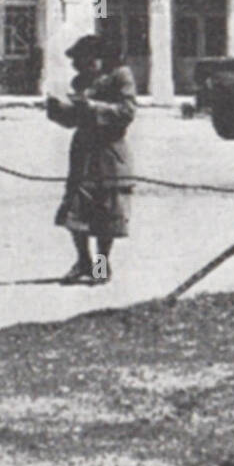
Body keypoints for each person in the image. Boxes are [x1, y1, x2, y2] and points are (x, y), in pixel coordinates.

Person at [47, 34, 137, 285]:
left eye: (84, 60)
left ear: (98, 57)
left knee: (106, 214)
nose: (79, 67)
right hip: (83, 152)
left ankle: (101, 265)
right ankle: (82, 261)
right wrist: (57, 110)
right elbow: (74, 119)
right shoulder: (81, 81)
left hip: (109, 152)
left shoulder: (121, 76)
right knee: (75, 209)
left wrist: (93, 106)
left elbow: (127, 112)